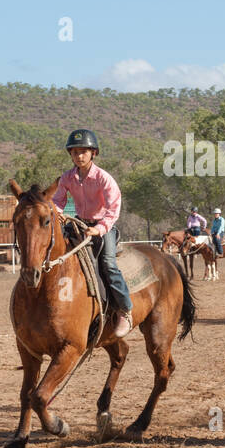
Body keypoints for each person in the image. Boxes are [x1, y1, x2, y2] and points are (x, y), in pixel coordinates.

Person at [52, 128, 133, 339]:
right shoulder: (67, 178)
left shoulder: (104, 178)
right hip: (79, 224)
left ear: (93, 153)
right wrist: (58, 213)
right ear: (70, 154)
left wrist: (99, 228)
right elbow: (57, 200)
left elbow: (113, 208)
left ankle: (125, 310)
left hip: (102, 227)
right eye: (75, 152)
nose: (79, 156)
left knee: (107, 264)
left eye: (84, 152)